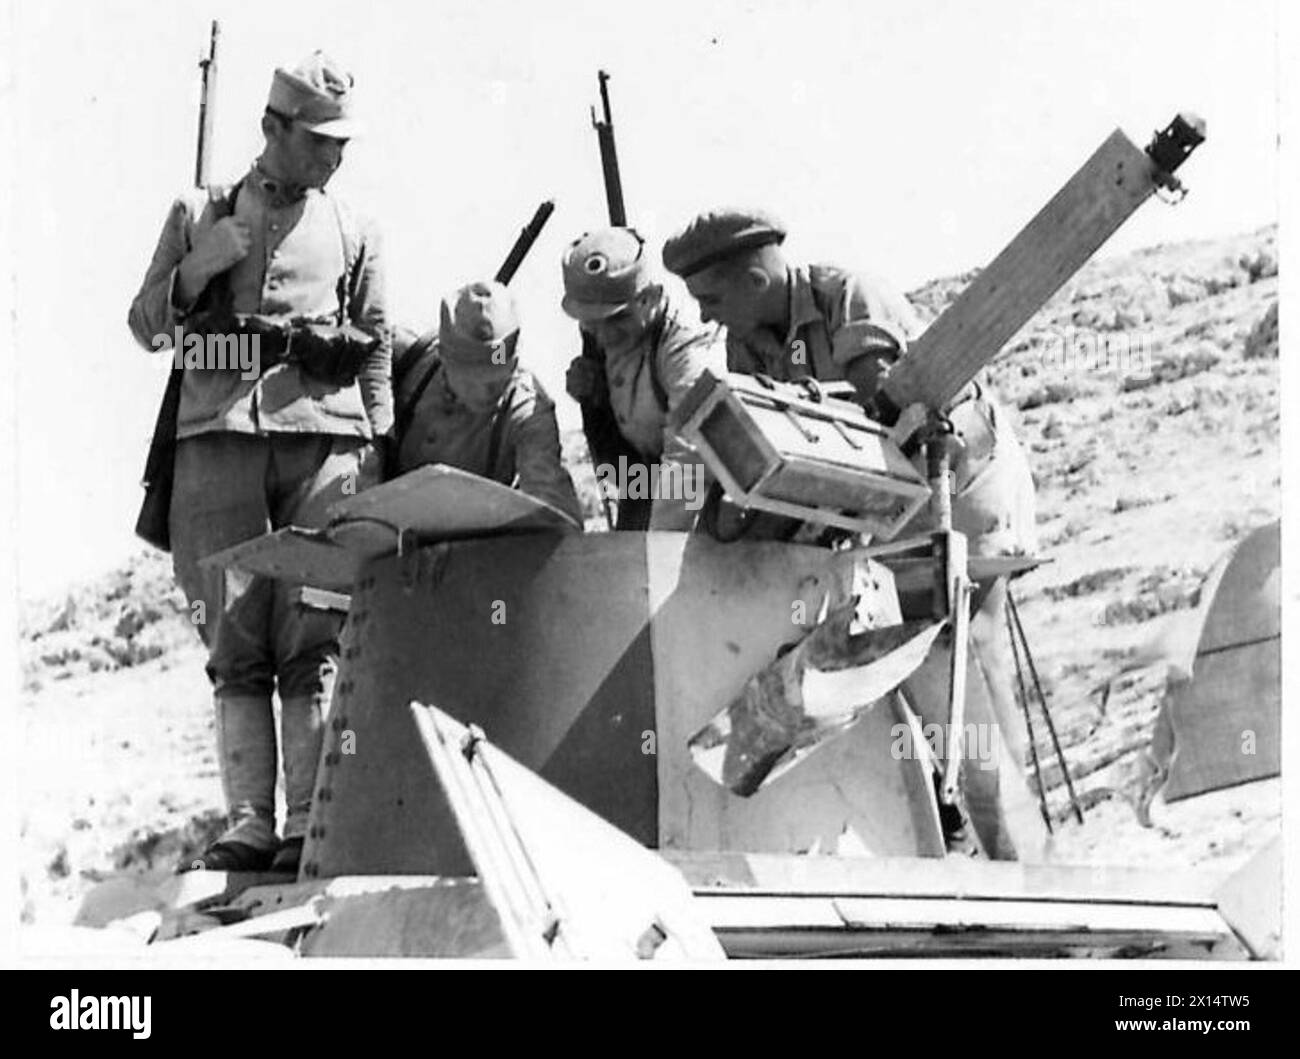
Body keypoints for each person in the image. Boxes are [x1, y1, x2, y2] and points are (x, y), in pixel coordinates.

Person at [663, 207, 1046, 860]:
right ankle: (961, 842)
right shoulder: (748, 343)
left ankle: (1028, 864)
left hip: (964, 493)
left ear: (755, 278)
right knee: (908, 673)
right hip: (893, 513)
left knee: (966, 674)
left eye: (712, 298)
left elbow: (889, 422)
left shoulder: (848, 297)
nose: (705, 317)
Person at [127, 51, 391, 874]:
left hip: (325, 446)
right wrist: (199, 265)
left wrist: (375, 454)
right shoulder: (198, 211)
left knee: (314, 636)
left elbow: (376, 346)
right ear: (273, 129)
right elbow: (146, 327)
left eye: (339, 142)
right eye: (318, 139)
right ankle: (249, 822)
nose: (333, 155)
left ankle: (310, 818)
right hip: (215, 443)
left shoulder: (356, 228)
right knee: (234, 639)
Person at [560, 228, 725, 530]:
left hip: (704, 485)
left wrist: (660, 552)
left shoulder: (684, 345)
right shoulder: (595, 335)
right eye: (593, 323)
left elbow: (689, 458)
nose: (605, 335)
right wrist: (596, 402)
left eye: (618, 318)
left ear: (651, 297)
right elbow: (619, 472)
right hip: (644, 477)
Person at [394, 281, 583, 525]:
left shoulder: (528, 410)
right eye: (471, 382)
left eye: (496, 381)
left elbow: (551, 504)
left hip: (470, 536)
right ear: (443, 358)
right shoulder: (406, 356)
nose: (485, 394)